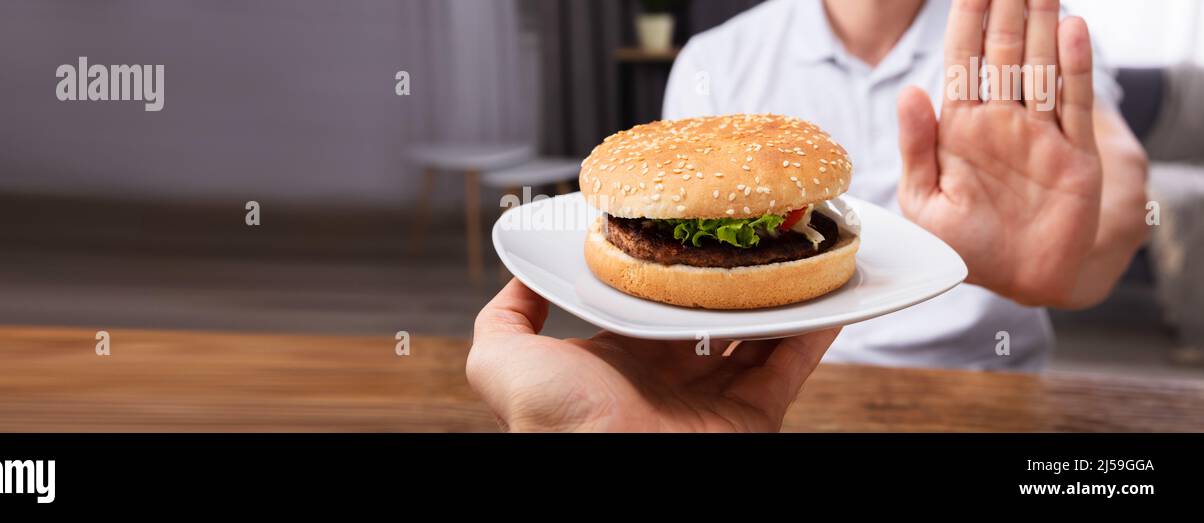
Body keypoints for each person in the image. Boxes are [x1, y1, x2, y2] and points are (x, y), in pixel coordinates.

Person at [468, 0, 1149, 431]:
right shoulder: (717, 58)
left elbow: (1120, 188)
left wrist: (1068, 264)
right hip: (767, 388)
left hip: (991, 394)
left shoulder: (1020, 35)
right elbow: (665, 248)